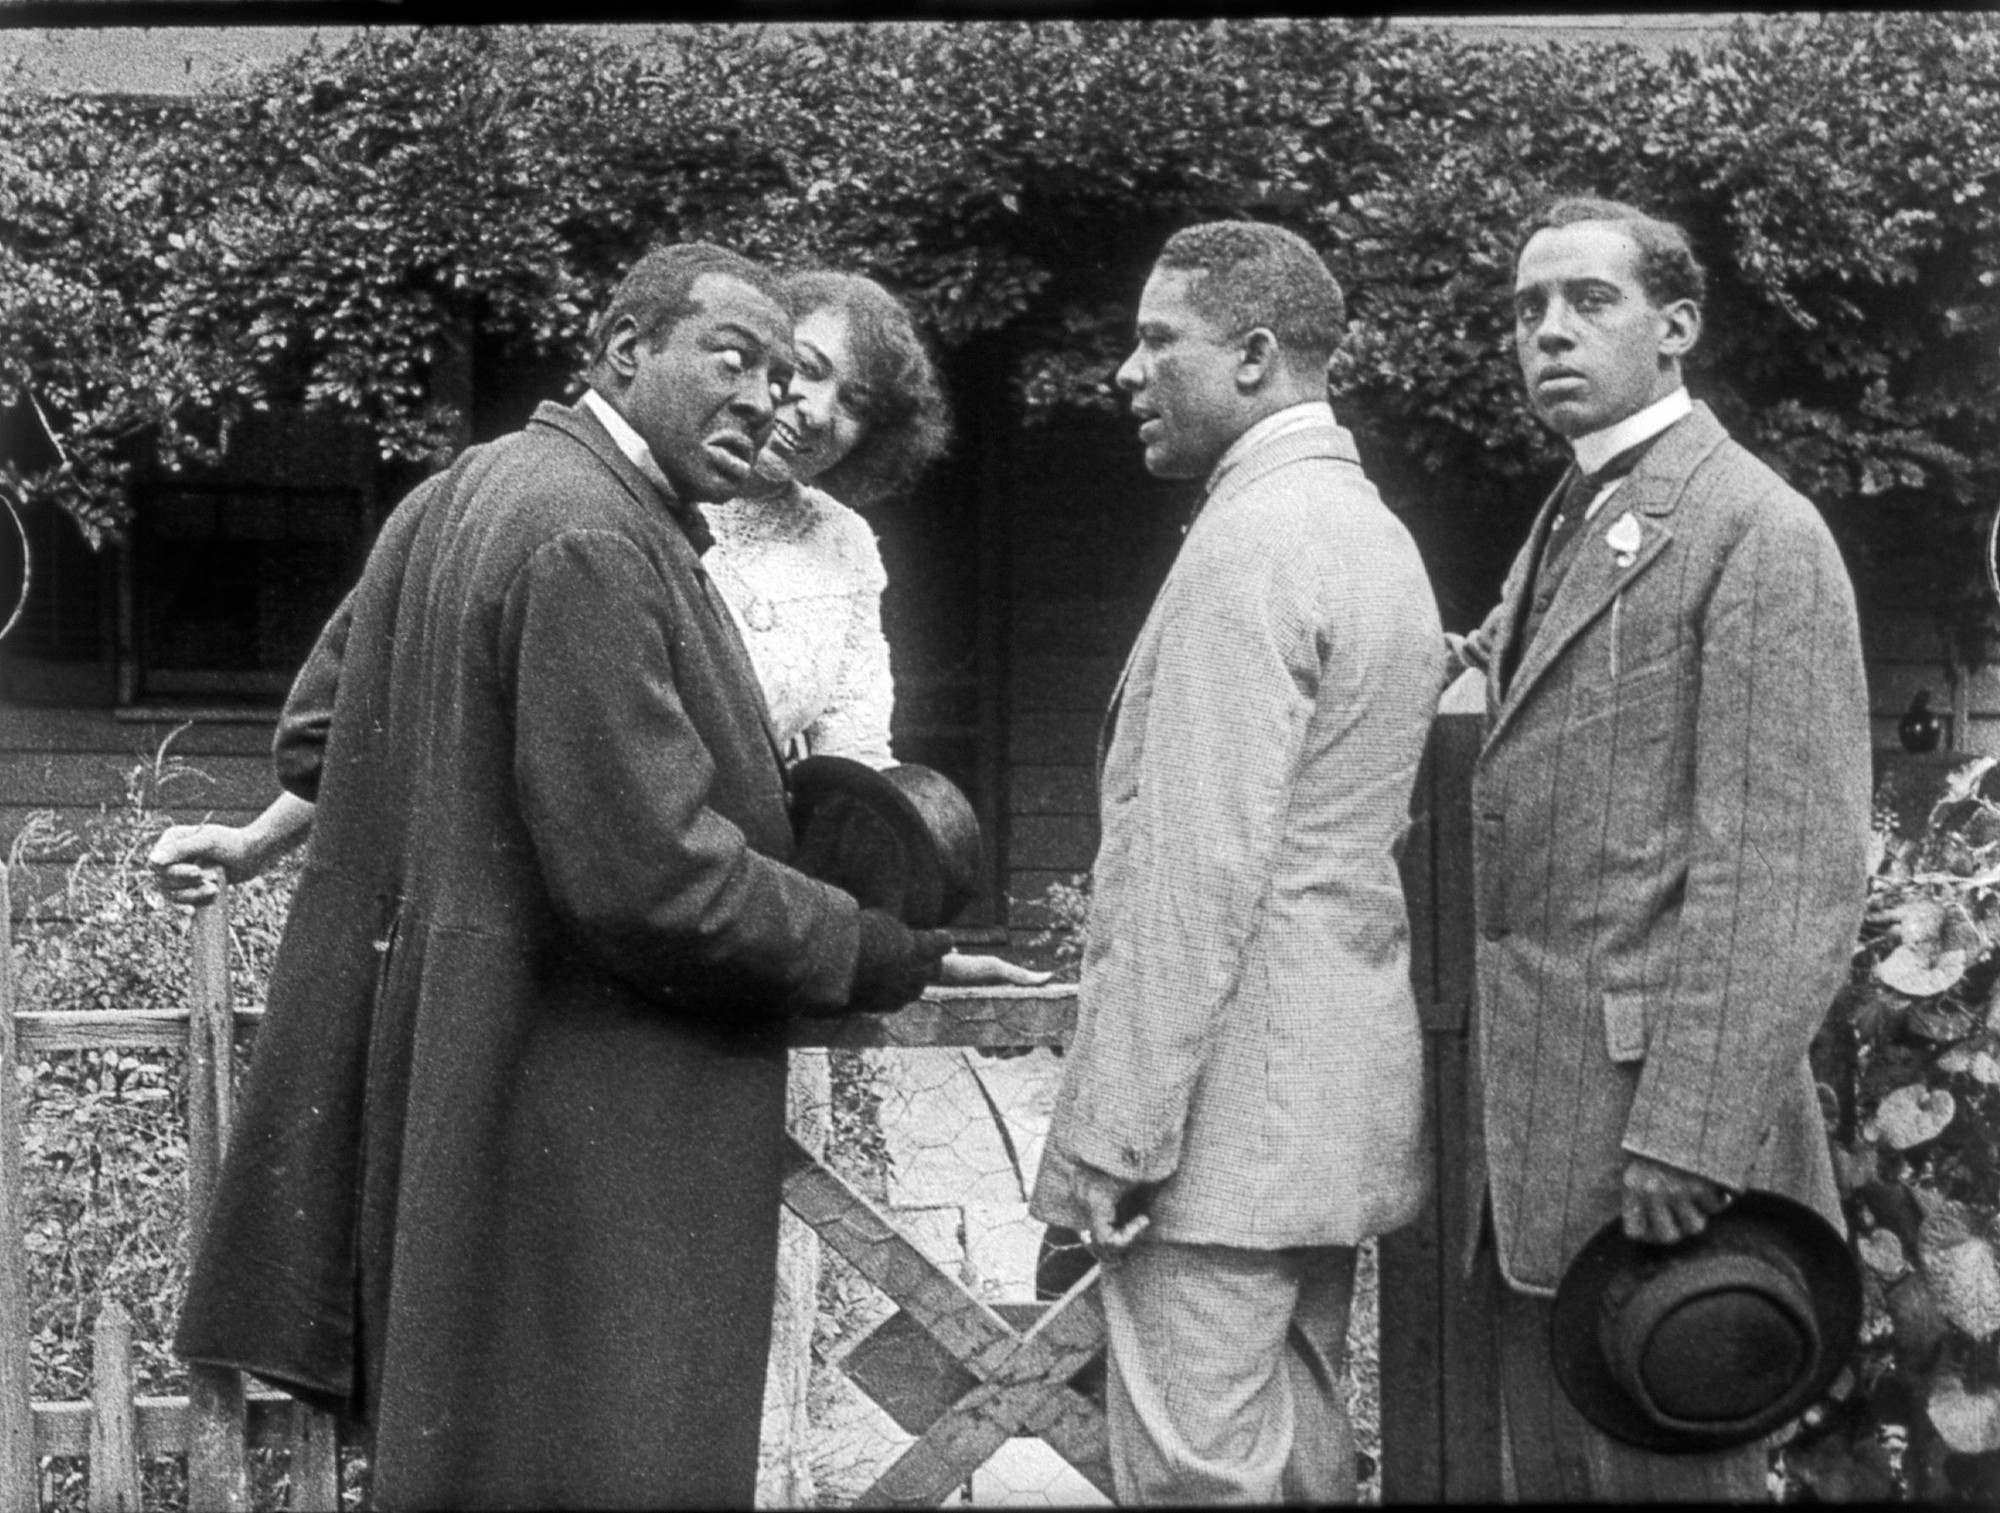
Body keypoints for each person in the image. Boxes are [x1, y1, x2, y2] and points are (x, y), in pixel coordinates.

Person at [171, 243, 957, 1510]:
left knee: (482, 1458)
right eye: (729, 358)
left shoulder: (467, 489)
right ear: (622, 348)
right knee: (601, 1458)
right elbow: (659, 882)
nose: (761, 398)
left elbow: (321, 732)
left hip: (465, 1082)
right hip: (592, 1107)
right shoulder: (590, 536)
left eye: (778, 372)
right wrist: (875, 946)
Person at [1450, 196, 1869, 1500]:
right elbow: (1492, 696)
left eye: (1590, 301)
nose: (1549, 332)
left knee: (1671, 1477)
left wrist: (1690, 1132)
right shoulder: (1572, 514)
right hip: (1536, 1134)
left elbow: (1785, 865)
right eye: (1528, 309)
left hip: (1666, 1152)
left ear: (1677, 326)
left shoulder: (1756, 527)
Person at [1029, 220, 1444, 1505]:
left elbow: (1192, 875)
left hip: (1215, 1139)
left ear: (1255, 355)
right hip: (1320, 1112)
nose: (1126, 372)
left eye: (1161, 341)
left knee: (1198, 1479)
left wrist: (1110, 1130)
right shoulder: (1368, 528)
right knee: (1305, 1464)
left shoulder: (1249, 544)